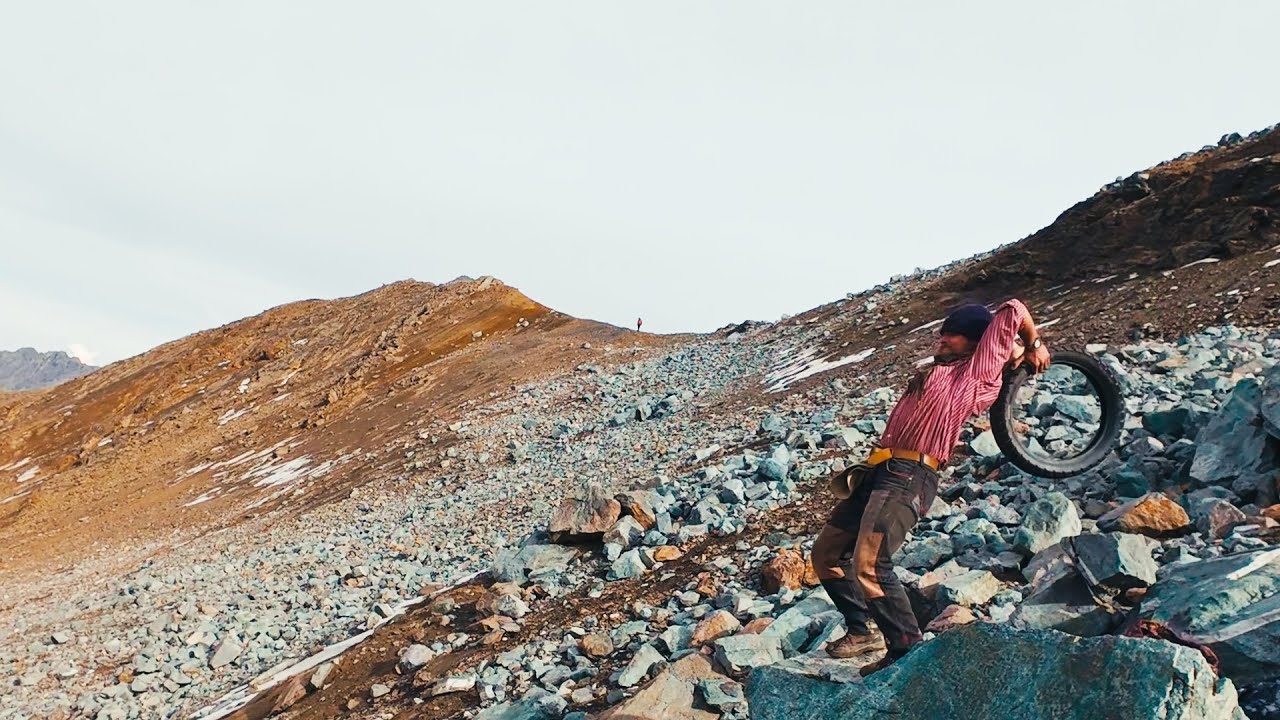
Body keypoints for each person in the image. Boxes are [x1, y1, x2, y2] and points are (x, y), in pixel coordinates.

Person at [811, 299, 1050, 674]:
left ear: (977, 342)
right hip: (878, 470)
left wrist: (1033, 344)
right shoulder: (939, 370)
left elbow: (1013, 310)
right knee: (826, 555)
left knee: (870, 563)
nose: (941, 338)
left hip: (910, 475)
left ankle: (907, 651)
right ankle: (863, 630)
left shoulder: (977, 372)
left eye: (952, 334)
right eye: (942, 332)